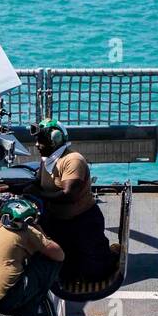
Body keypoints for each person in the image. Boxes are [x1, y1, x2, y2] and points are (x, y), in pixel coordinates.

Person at [30, 118, 113, 283]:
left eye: (41, 141)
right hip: (57, 222)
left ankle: (108, 257)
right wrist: (11, 188)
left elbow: (69, 195)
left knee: (96, 272)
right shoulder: (47, 160)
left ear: (55, 140)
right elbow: (37, 183)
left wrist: (37, 194)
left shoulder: (73, 160)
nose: (37, 145)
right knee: (65, 270)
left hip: (81, 223)